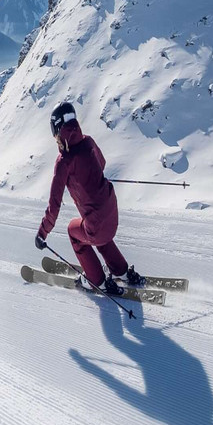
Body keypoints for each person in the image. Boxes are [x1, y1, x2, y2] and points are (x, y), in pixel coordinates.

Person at [34, 101, 146, 294]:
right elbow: (101, 163)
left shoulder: (64, 162)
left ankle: (97, 281)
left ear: (57, 130)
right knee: (96, 230)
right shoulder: (88, 142)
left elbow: (54, 205)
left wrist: (42, 234)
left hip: (97, 223)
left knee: (74, 231)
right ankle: (122, 272)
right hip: (111, 214)